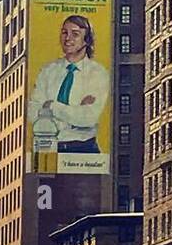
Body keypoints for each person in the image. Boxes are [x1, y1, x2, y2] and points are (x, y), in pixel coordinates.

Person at [27, 14, 110, 160]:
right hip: (48, 149)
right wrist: (74, 111)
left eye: (75, 34)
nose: (67, 38)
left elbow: (88, 118)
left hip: (83, 151)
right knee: (44, 184)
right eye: (64, 32)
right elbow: (33, 112)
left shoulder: (97, 73)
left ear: (87, 40)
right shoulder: (48, 71)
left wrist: (50, 106)